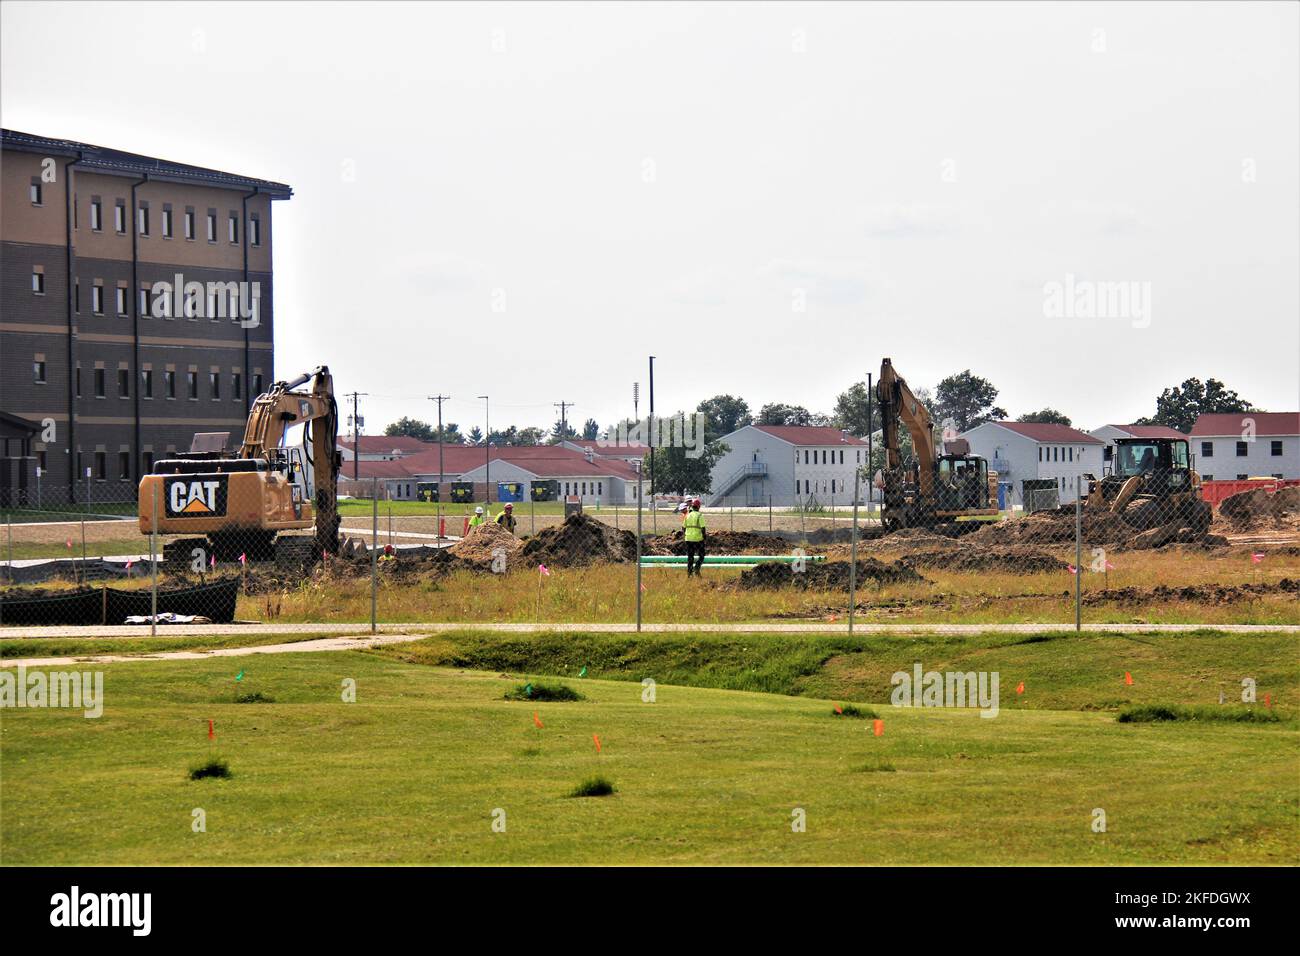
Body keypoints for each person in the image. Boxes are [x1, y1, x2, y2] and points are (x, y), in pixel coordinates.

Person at [683, 497, 706, 576]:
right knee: (702, 555)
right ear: (699, 507)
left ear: (692, 506)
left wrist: (686, 535)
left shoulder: (687, 515)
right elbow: (703, 528)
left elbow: (683, 527)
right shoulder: (700, 515)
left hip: (688, 539)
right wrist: (704, 537)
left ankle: (689, 573)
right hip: (698, 539)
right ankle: (697, 567)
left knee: (690, 556)